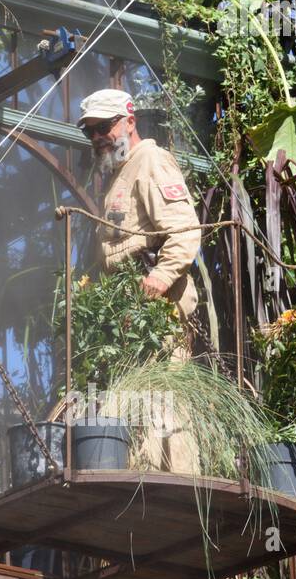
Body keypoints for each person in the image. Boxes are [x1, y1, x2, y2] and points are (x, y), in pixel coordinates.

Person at [77, 89, 202, 473]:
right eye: (90, 131)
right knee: (135, 402)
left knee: (162, 399)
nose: (98, 136)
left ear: (129, 120)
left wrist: (159, 279)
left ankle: (181, 488)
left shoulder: (149, 159)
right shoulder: (117, 175)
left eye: (104, 126)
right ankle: (140, 480)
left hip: (157, 313)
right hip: (130, 314)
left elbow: (184, 230)